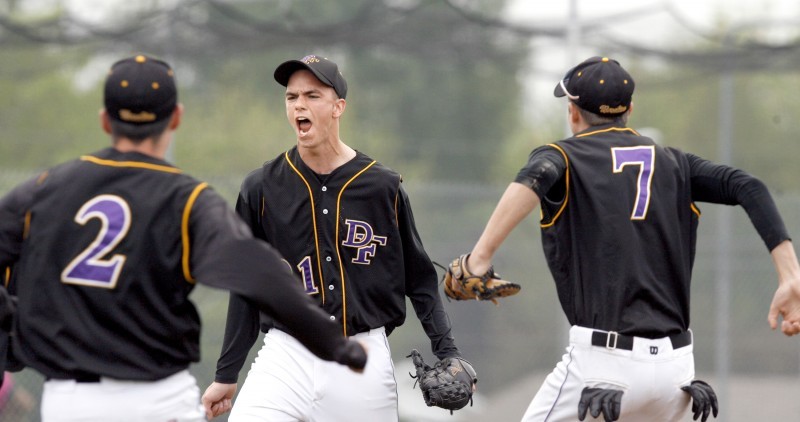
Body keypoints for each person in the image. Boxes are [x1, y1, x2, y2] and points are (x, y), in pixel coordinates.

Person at [0, 54, 367, 422]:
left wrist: (12, 331)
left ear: (104, 119)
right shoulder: (188, 201)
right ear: (176, 117)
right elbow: (260, 276)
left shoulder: (45, 189)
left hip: (68, 401)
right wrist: (336, 345)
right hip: (158, 399)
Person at [451, 56, 800, 421]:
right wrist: (790, 275)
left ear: (573, 112)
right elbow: (749, 186)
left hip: (603, 369)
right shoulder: (677, 164)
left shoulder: (564, 156)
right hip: (676, 375)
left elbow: (535, 177)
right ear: (629, 109)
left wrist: (480, 258)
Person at [201, 54, 467, 421]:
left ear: (338, 106)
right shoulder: (261, 187)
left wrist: (447, 351)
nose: (299, 105)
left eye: (312, 95)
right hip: (285, 355)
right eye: (291, 97)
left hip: (361, 357)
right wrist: (226, 374)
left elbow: (419, 279)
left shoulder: (382, 186)